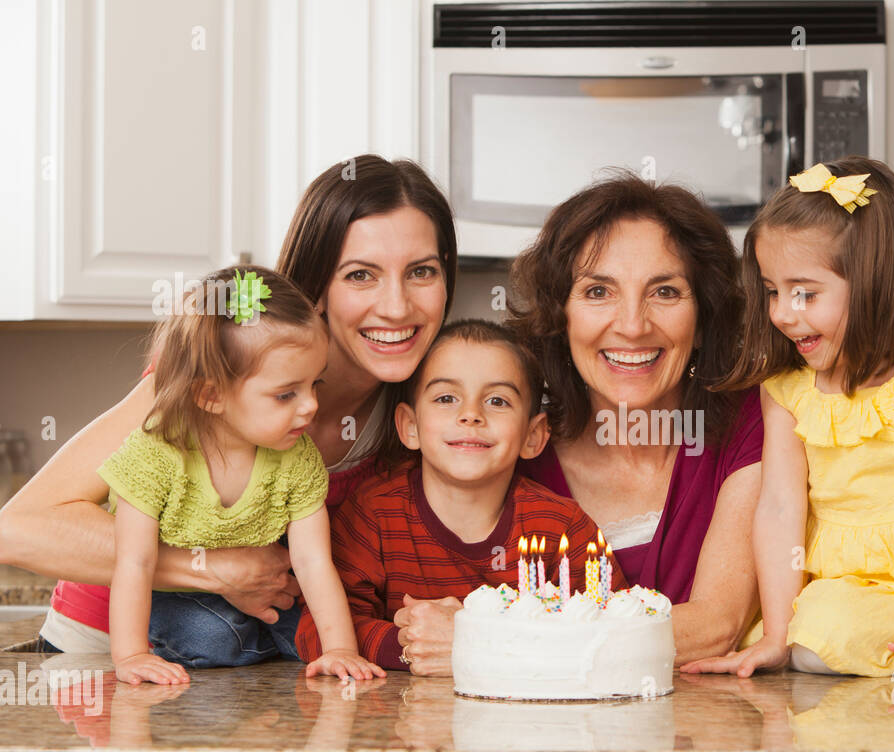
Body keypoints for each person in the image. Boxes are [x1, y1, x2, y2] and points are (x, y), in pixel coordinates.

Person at [0, 156, 460, 664]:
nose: (397, 306)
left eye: (421, 271)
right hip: (106, 654)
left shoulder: (437, 407)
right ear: (317, 286)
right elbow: (19, 531)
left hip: (246, 658)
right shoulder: (212, 375)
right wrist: (212, 566)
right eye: (360, 275)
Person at [681, 157, 894, 678]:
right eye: (771, 291)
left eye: (804, 292)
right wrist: (779, 633)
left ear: (876, 282)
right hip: (828, 588)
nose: (783, 312)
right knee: (779, 635)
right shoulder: (787, 391)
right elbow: (782, 510)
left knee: (828, 631)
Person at [507, 172, 763, 665]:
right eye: (598, 292)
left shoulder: (747, 425)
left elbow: (715, 626)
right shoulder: (515, 448)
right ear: (560, 318)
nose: (631, 325)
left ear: (704, 317)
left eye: (664, 292)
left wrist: (503, 641)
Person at [94, 267, 383, 684]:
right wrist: (131, 655)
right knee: (214, 636)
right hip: (176, 595)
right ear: (211, 395)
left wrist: (340, 649)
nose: (310, 407)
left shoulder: (296, 455)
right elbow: (135, 562)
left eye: (313, 385)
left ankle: (266, 643)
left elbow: (313, 561)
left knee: (311, 633)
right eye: (287, 394)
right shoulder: (155, 455)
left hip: (258, 592)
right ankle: (252, 644)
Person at [295, 320, 627, 670]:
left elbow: (620, 632)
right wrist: (409, 645)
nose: (471, 415)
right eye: (446, 398)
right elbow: (315, 631)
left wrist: (475, 646)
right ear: (410, 426)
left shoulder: (563, 528)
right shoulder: (372, 514)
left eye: (497, 400)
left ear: (533, 436)